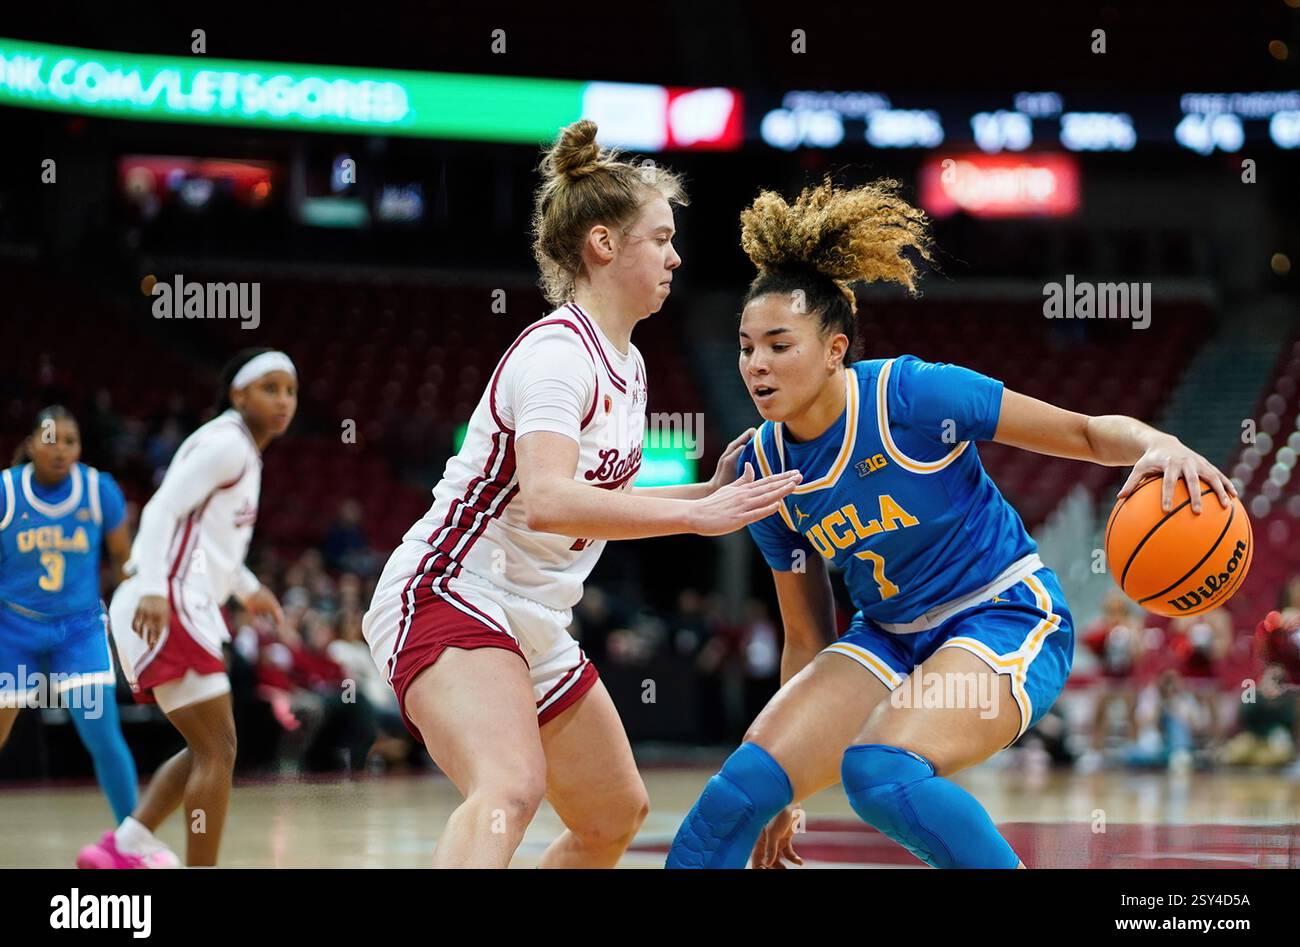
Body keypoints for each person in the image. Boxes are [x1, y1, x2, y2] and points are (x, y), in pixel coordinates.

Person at [665, 178, 1236, 869]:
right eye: (746, 347)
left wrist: (1157, 445)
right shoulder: (760, 470)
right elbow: (805, 636)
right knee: (736, 797)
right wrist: (785, 784)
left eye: (779, 345)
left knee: (879, 774)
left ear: (835, 349)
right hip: (887, 636)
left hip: (1001, 616)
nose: (756, 364)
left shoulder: (913, 396)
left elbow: (1084, 433)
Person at [362, 119, 801, 868]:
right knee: (507, 786)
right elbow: (550, 501)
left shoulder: (626, 364)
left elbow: (597, 506)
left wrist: (710, 489)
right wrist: (698, 516)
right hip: (450, 592)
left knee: (612, 814)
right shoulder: (558, 354)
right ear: (604, 244)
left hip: (534, 616)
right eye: (660, 239)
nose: (676, 256)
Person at [78, 348, 296, 867]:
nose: (283, 400)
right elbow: (162, 508)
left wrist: (247, 589)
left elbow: (208, 545)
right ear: (238, 393)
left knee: (208, 745)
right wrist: (153, 585)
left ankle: (127, 843)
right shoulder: (228, 444)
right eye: (270, 388)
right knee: (219, 749)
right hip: (168, 598)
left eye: (290, 390)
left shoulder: (239, 448)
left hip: (178, 596)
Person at [0, 406, 160, 855]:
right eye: (50, 439)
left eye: (69, 441)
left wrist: (148, 593)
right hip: (14, 629)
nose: (60, 449)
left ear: (80, 447)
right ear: (31, 444)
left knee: (102, 734)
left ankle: (131, 843)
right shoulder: (5, 492)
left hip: (78, 630)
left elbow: (125, 564)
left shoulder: (98, 490)